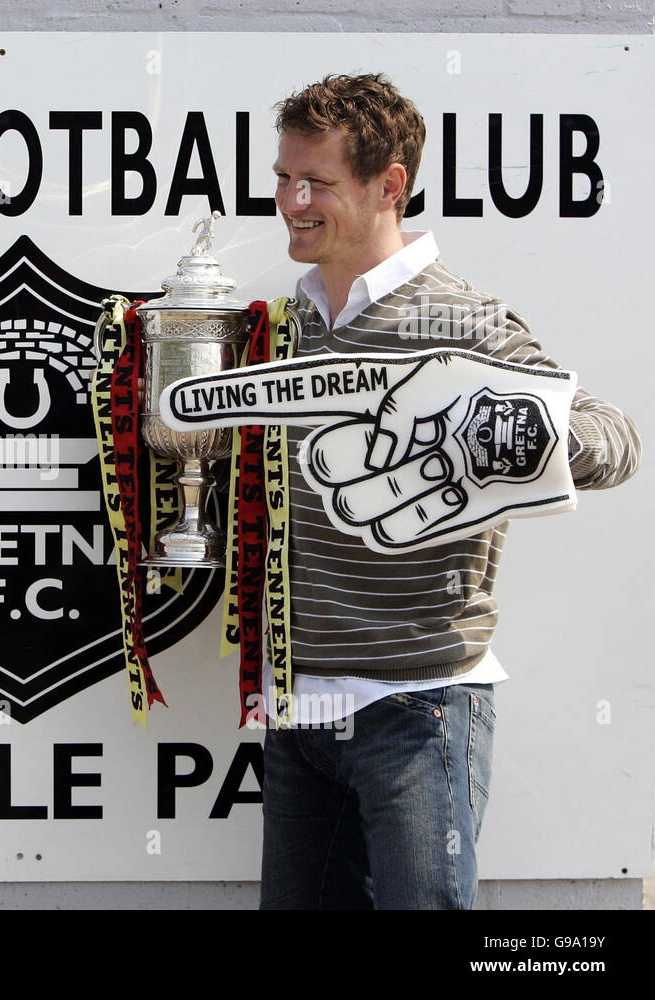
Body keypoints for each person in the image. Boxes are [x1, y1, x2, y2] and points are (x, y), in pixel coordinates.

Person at [256, 73, 641, 909]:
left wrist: (507, 434)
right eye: (284, 177)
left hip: (418, 709)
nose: (291, 200)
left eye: (315, 181)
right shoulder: (283, 326)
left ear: (388, 184)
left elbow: (615, 440)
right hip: (297, 707)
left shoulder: (461, 323)